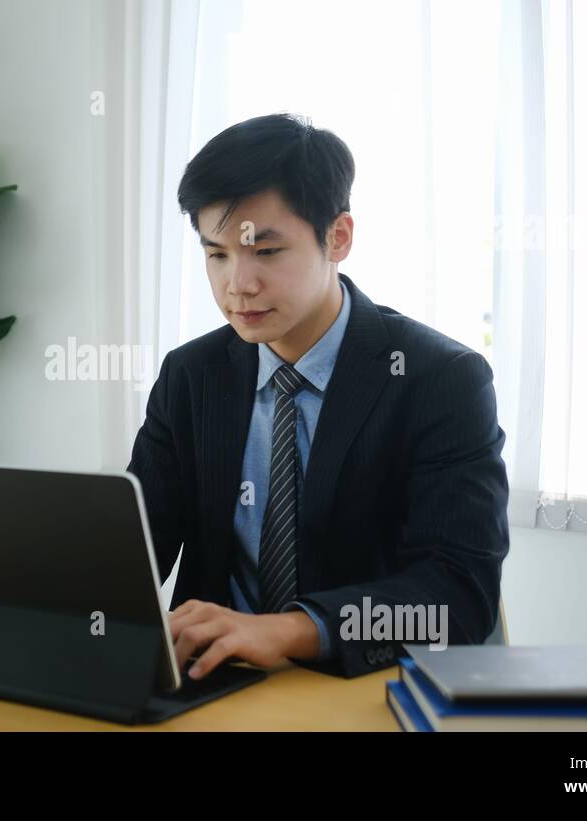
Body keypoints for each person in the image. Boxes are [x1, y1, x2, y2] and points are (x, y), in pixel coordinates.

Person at [127, 113, 509, 680]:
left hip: (360, 689)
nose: (238, 284)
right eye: (218, 255)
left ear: (338, 237)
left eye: (267, 252)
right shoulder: (192, 375)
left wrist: (286, 630)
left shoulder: (440, 380)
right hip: (212, 688)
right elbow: (136, 548)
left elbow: (457, 593)